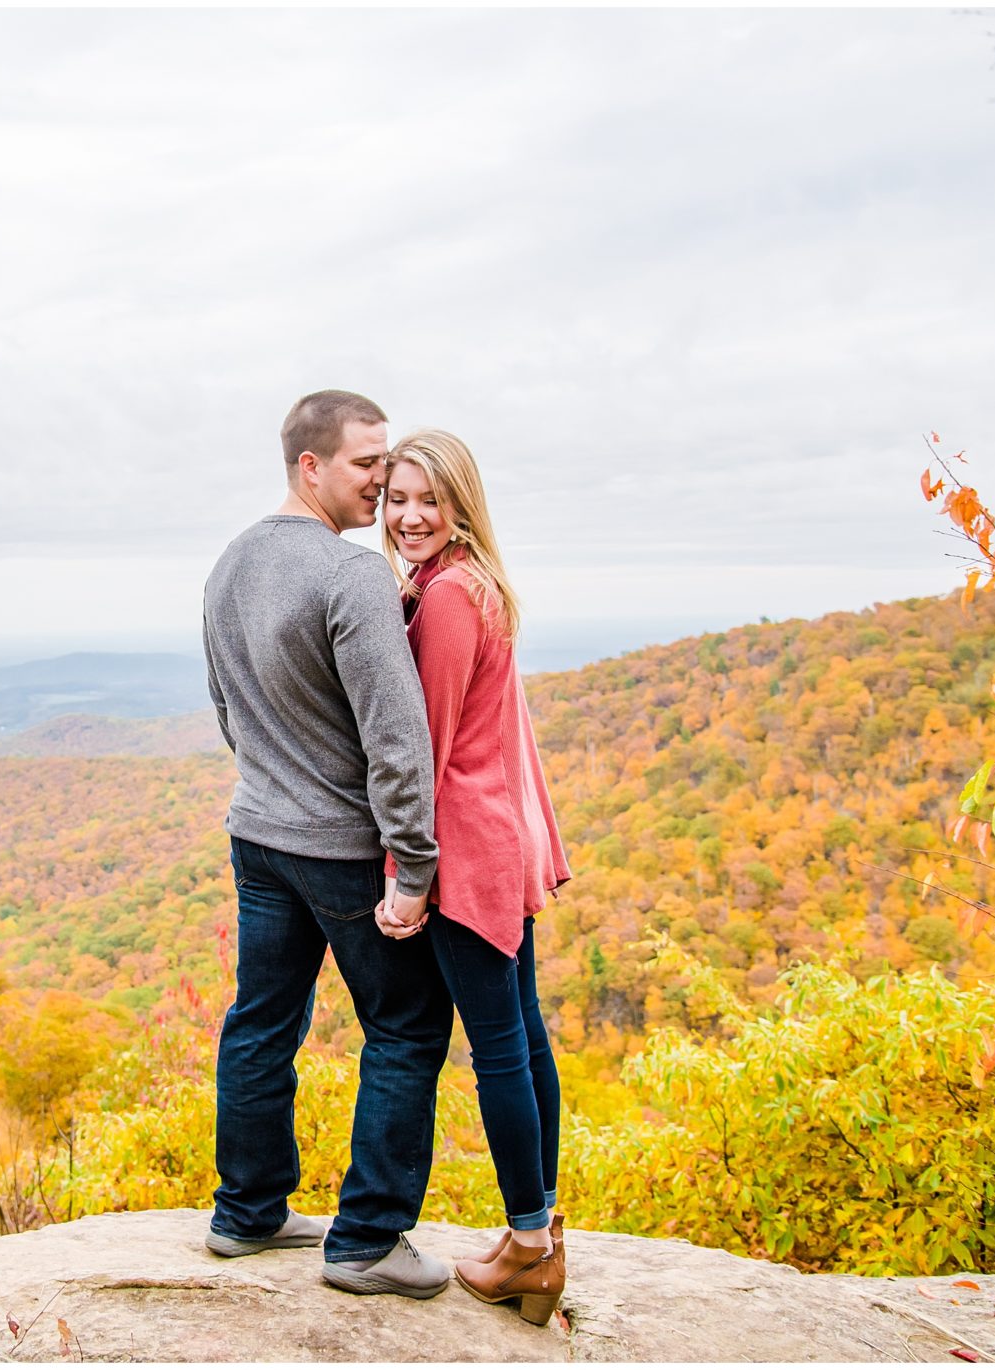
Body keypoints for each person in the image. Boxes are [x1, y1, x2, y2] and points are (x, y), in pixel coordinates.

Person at [200, 389, 457, 1299]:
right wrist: (414, 867)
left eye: (385, 461)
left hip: (257, 834)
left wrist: (278, 781)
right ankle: (369, 1240)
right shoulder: (349, 575)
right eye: (365, 463)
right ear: (310, 466)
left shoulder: (230, 564)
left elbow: (229, 711)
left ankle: (247, 1213)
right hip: (342, 848)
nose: (382, 479)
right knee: (409, 1025)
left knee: (262, 1022)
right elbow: (397, 740)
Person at [374, 427, 574, 1325]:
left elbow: (426, 751)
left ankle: (529, 1248)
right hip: (502, 840)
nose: (410, 516)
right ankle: (534, 1234)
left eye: (428, 499)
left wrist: (403, 875)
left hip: (465, 852)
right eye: (396, 499)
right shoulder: (478, 586)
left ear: (460, 505)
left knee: (499, 1048)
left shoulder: (450, 599)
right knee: (524, 1037)